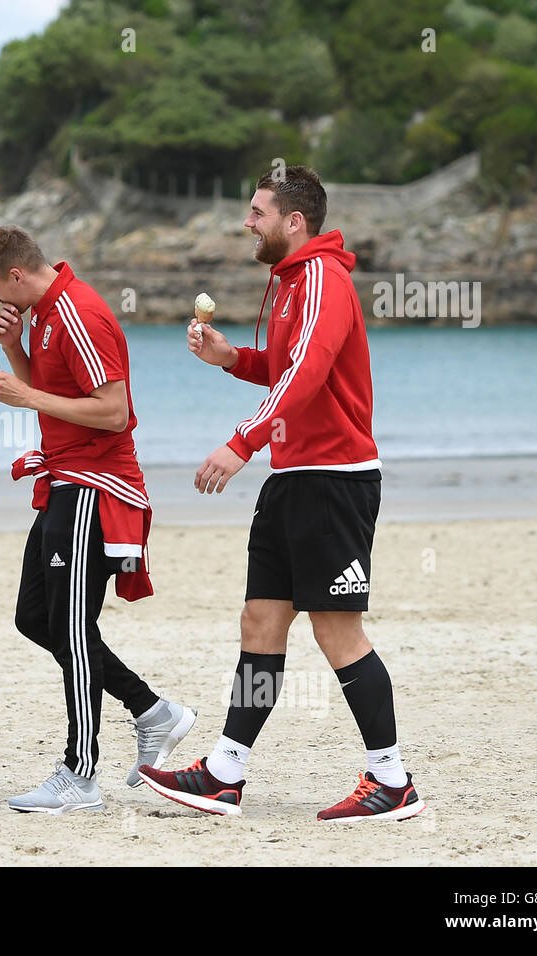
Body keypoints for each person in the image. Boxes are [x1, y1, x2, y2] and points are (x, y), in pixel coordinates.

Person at [137, 166, 426, 822]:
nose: (248, 222)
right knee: (261, 622)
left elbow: (308, 372)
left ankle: (392, 779)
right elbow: (287, 365)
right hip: (293, 480)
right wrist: (232, 358)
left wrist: (241, 443)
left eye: (257, 212)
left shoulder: (324, 278)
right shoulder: (294, 282)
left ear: (294, 221)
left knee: (337, 631)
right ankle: (224, 773)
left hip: (335, 480)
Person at [0, 225, 195, 814]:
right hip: (64, 481)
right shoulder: (45, 313)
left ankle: (81, 775)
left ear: (16, 275)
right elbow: (61, 389)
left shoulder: (79, 312)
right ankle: (152, 711)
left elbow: (114, 412)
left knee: (68, 624)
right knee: (36, 617)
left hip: (97, 485)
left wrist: (23, 395)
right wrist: (18, 354)